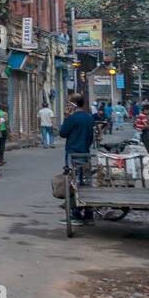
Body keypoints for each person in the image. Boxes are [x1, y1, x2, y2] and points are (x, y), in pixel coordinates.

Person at [59, 93, 96, 224]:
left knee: (73, 183)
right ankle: (88, 214)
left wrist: (66, 117)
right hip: (85, 154)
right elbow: (91, 138)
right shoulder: (89, 118)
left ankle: (76, 215)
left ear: (73, 105)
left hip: (72, 155)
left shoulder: (72, 118)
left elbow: (62, 133)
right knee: (86, 183)